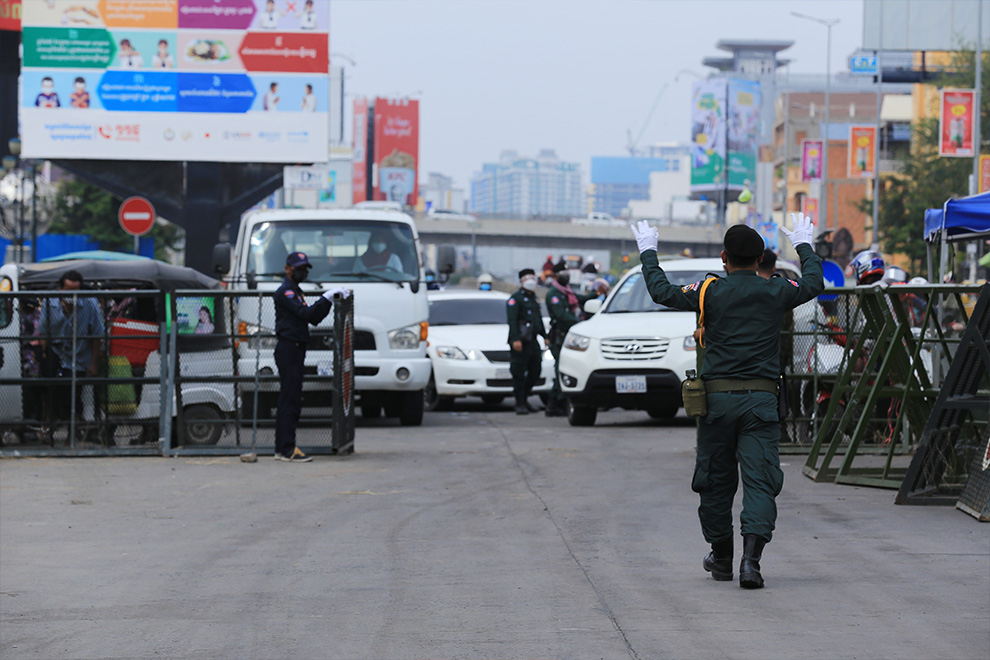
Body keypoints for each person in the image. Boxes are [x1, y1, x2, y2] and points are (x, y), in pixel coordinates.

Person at [630, 213, 823, 589]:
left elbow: (660, 291)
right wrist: (803, 244)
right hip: (761, 403)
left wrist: (649, 252)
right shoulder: (777, 290)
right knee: (760, 482)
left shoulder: (708, 291)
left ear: (723, 257)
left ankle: (721, 558)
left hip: (716, 404)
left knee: (715, 482)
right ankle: (751, 564)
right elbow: (815, 281)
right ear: (759, 258)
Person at [273, 252, 349, 462]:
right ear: (288, 268)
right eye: (298, 267)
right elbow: (308, 315)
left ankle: (283, 448)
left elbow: (313, 317)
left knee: (291, 398)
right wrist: (325, 298)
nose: (303, 271)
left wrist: (328, 301)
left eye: (305, 268)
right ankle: (287, 449)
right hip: (289, 349)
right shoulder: (286, 292)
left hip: (295, 349)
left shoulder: (295, 291)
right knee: (290, 400)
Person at [36, 270, 105, 434]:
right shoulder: (50, 303)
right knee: (50, 391)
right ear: (61, 290)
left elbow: (97, 335)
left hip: (80, 355)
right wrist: (43, 355)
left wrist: (93, 363)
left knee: (73, 394)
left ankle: (73, 432)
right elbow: (43, 331)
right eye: (68, 291)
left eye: (76, 290)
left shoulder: (90, 303)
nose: (72, 295)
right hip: (57, 352)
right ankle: (49, 429)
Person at [545, 270, 591, 417]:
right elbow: (561, 315)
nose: (566, 275)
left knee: (568, 369)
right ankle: (553, 404)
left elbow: (581, 299)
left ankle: (561, 403)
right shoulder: (554, 294)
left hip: (567, 337)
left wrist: (596, 293)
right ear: (557, 276)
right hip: (558, 338)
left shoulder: (568, 292)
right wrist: (579, 324)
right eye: (563, 272)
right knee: (562, 370)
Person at [506, 268, 546, 415]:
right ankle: (519, 402)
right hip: (520, 341)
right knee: (518, 373)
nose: (531, 281)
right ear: (521, 281)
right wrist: (515, 339)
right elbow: (512, 320)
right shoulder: (515, 298)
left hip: (533, 341)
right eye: (527, 278)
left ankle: (525, 396)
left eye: (532, 278)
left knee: (536, 371)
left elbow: (538, 320)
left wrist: (544, 335)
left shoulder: (534, 298)